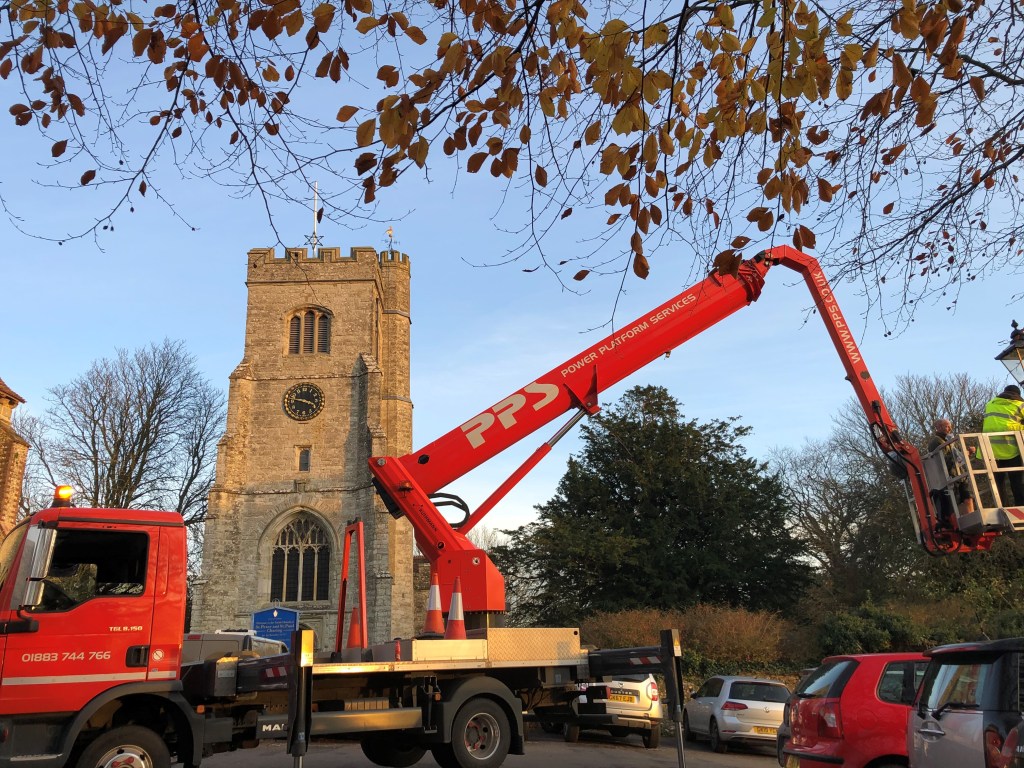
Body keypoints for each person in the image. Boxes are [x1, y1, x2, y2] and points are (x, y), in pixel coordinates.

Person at [980, 384, 1024, 506]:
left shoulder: (990, 404)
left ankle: (1003, 507)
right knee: (1016, 481)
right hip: (1010, 448)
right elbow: (1007, 425)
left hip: (990, 449)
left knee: (997, 483)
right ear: (1018, 395)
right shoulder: (1020, 405)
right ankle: (1021, 506)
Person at [926, 418, 975, 520]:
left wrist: (966, 454)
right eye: (946, 426)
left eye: (950, 426)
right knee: (952, 504)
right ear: (938, 427)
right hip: (948, 477)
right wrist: (964, 454)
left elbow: (957, 457)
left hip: (958, 475)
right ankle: (956, 522)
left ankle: (971, 519)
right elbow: (944, 460)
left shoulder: (950, 440)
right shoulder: (936, 442)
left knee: (968, 497)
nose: (949, 429)